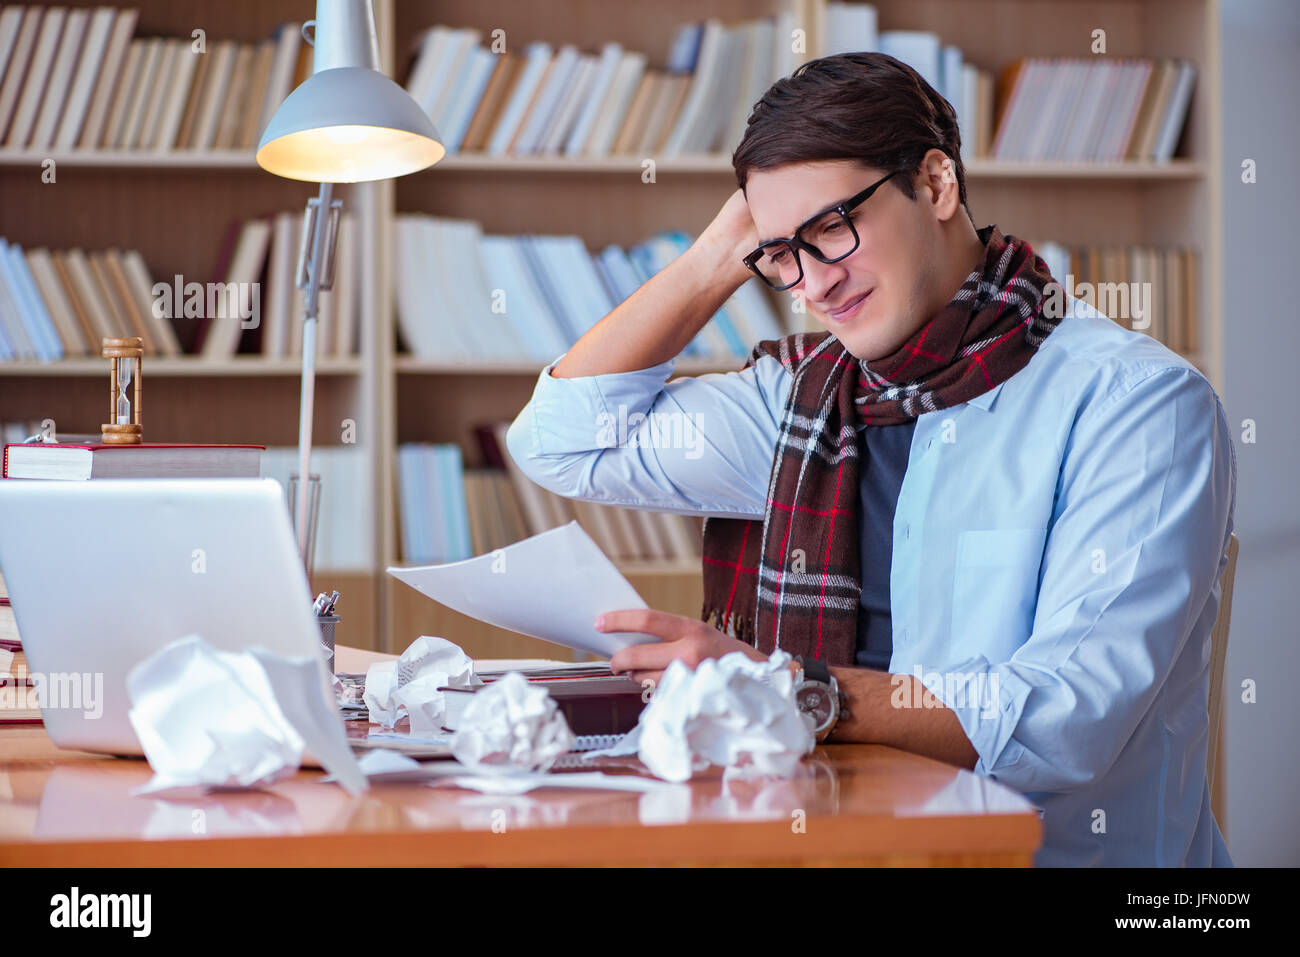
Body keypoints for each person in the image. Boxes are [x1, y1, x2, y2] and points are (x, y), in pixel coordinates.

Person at [504, 52, 1235, 867]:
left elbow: (1063, 717)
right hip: (830, 847)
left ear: (935, 184)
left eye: (829, 228)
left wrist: (785, 688)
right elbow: (560, 438)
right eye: (781, 256)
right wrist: (725, 244)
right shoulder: (804, 406)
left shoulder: (1137, 405)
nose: (813, 285)